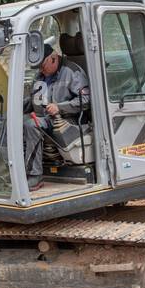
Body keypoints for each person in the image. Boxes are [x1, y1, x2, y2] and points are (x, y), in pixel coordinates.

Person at [23, 43, 90, 191]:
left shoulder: (72, 72)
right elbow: (35, 100)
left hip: (67, 119)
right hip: (44, 118)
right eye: (38, 67)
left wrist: (60, 107)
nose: (40, 70)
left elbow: (86, 101)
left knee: (31, 125)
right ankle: (17, 170)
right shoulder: (41, 75)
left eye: (42, 66)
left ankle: (35, 175)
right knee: (15, 122)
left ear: (53, 58)